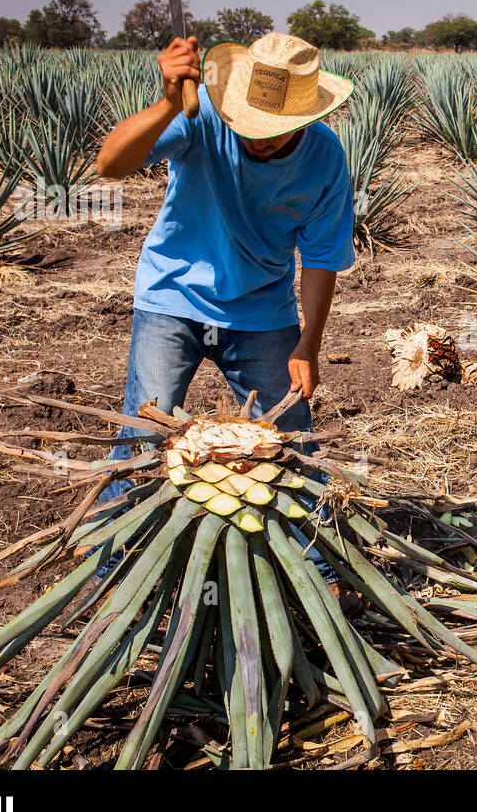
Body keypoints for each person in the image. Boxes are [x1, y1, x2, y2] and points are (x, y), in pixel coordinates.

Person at [94, 31, 356, 593]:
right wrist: (168, 100)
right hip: (173, 297)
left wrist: (307, 343)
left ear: (306, 116)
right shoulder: (202, 114)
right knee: (143, 438)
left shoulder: (326, 160)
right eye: (249, 123)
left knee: (288, 445)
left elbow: (321, 257)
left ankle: (316, 578)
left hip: (262, 311)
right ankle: (113, 579)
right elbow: (110, 165)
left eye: (273, 130)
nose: (256, 140)